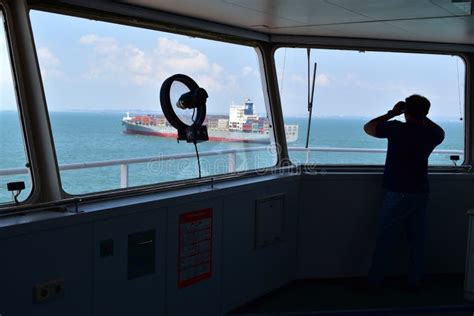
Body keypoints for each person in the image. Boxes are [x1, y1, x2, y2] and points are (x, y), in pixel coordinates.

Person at [363, 94, 445, 289]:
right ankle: (414, 282)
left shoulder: (396, 128)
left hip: (396, 190)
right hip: (420, 192)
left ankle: (375, 282)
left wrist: (392, 113)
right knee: (417, 240)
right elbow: (440, 131)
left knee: (385, 239)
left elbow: (368, 127)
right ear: (425, 113)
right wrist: (421, 114)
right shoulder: (431, 134)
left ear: (406, 112)